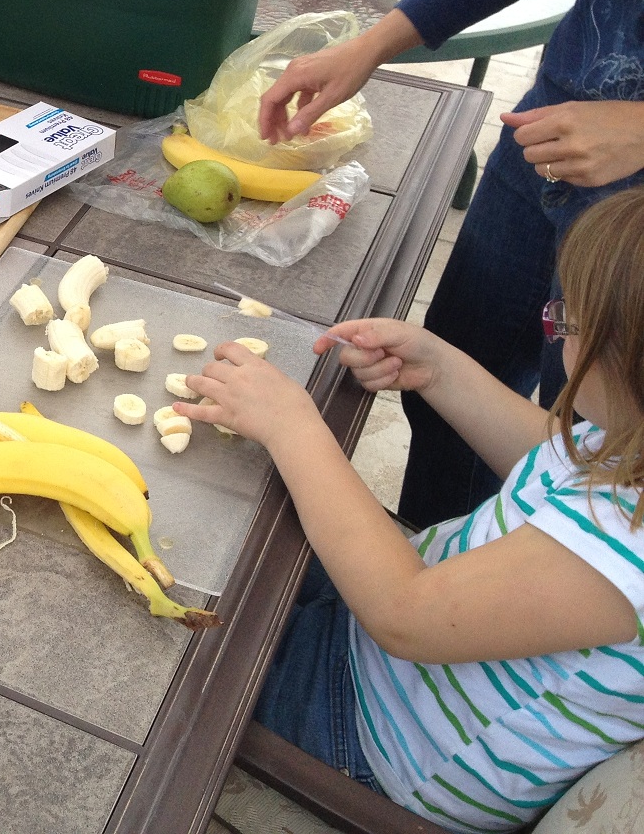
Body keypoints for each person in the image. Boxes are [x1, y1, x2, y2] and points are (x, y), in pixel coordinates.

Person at [253, 0, 644, 529]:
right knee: (452, 375)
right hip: (548, 132)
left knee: (595, 442)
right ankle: (442, 558)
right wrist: (375, 42)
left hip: (629, 198)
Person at [178, 185, 644, 833]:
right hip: (382, 646)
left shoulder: (622, 558)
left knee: (154, 617)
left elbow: (404, 613)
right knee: (219, 510)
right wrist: (439, 369)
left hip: (371, 736)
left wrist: (293, 426)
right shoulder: (628, 436)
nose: (556, 329)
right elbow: (550, 455)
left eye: (565, 321)